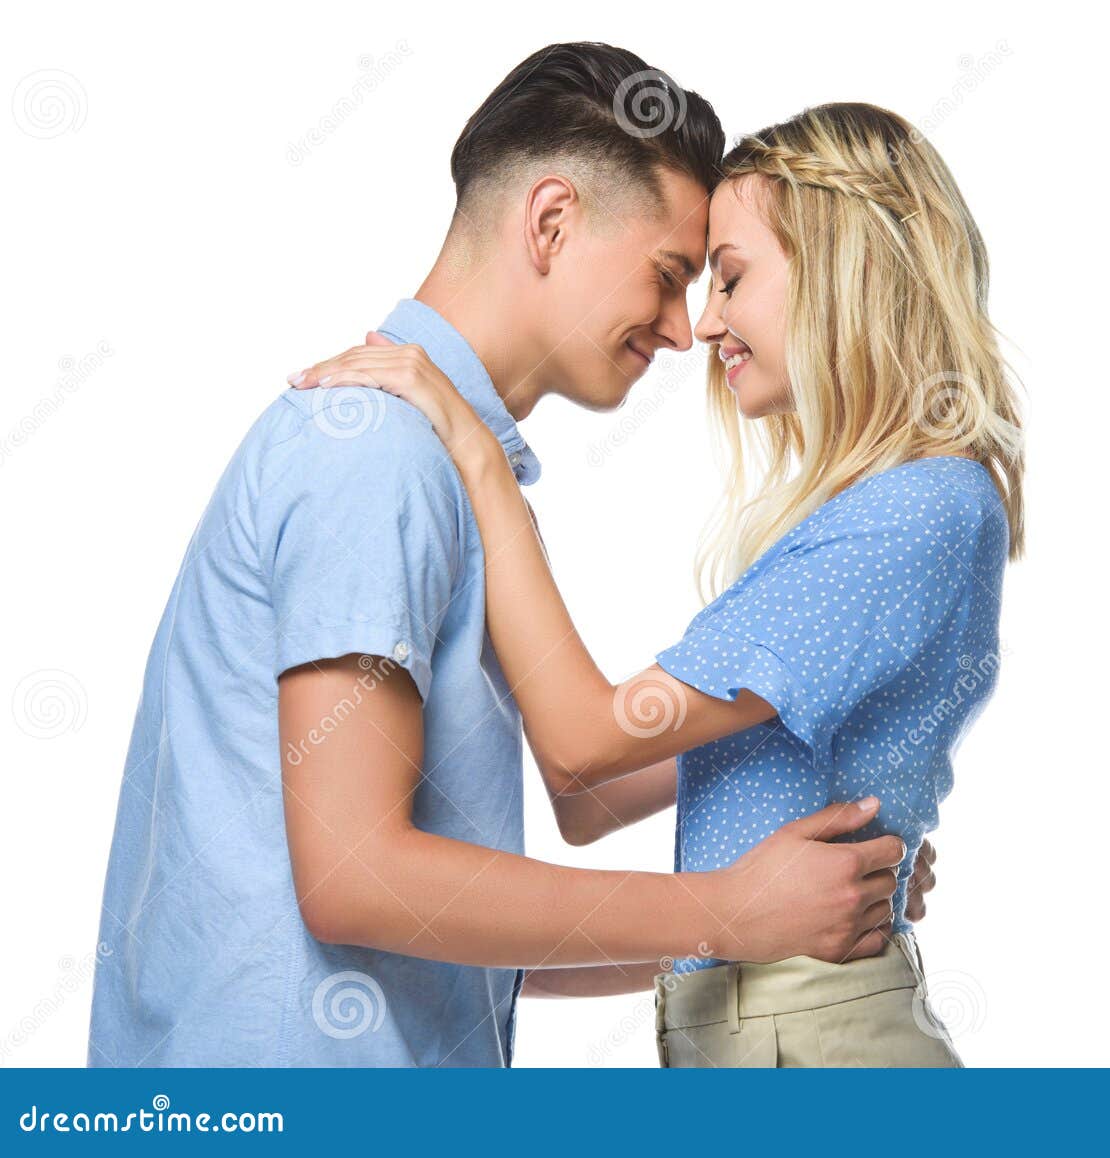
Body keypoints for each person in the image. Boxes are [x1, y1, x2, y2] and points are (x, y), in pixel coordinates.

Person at [89, 43, 935, 1069]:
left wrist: (785, 913)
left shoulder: (440, 462)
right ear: (549, 222)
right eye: (670, 276)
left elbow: (460, 935)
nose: (682, 331)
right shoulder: (377, 455)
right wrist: (720, 906)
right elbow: (357, 880)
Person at [290, 100, 1024, 1067]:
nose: (705, 323)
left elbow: (588, 736)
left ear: (847, 267)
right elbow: (585, 791)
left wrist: (477, 458)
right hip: (749, 1023)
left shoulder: (920, 508)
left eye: (730, 278)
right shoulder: (865, 520)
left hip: (812, 1034)